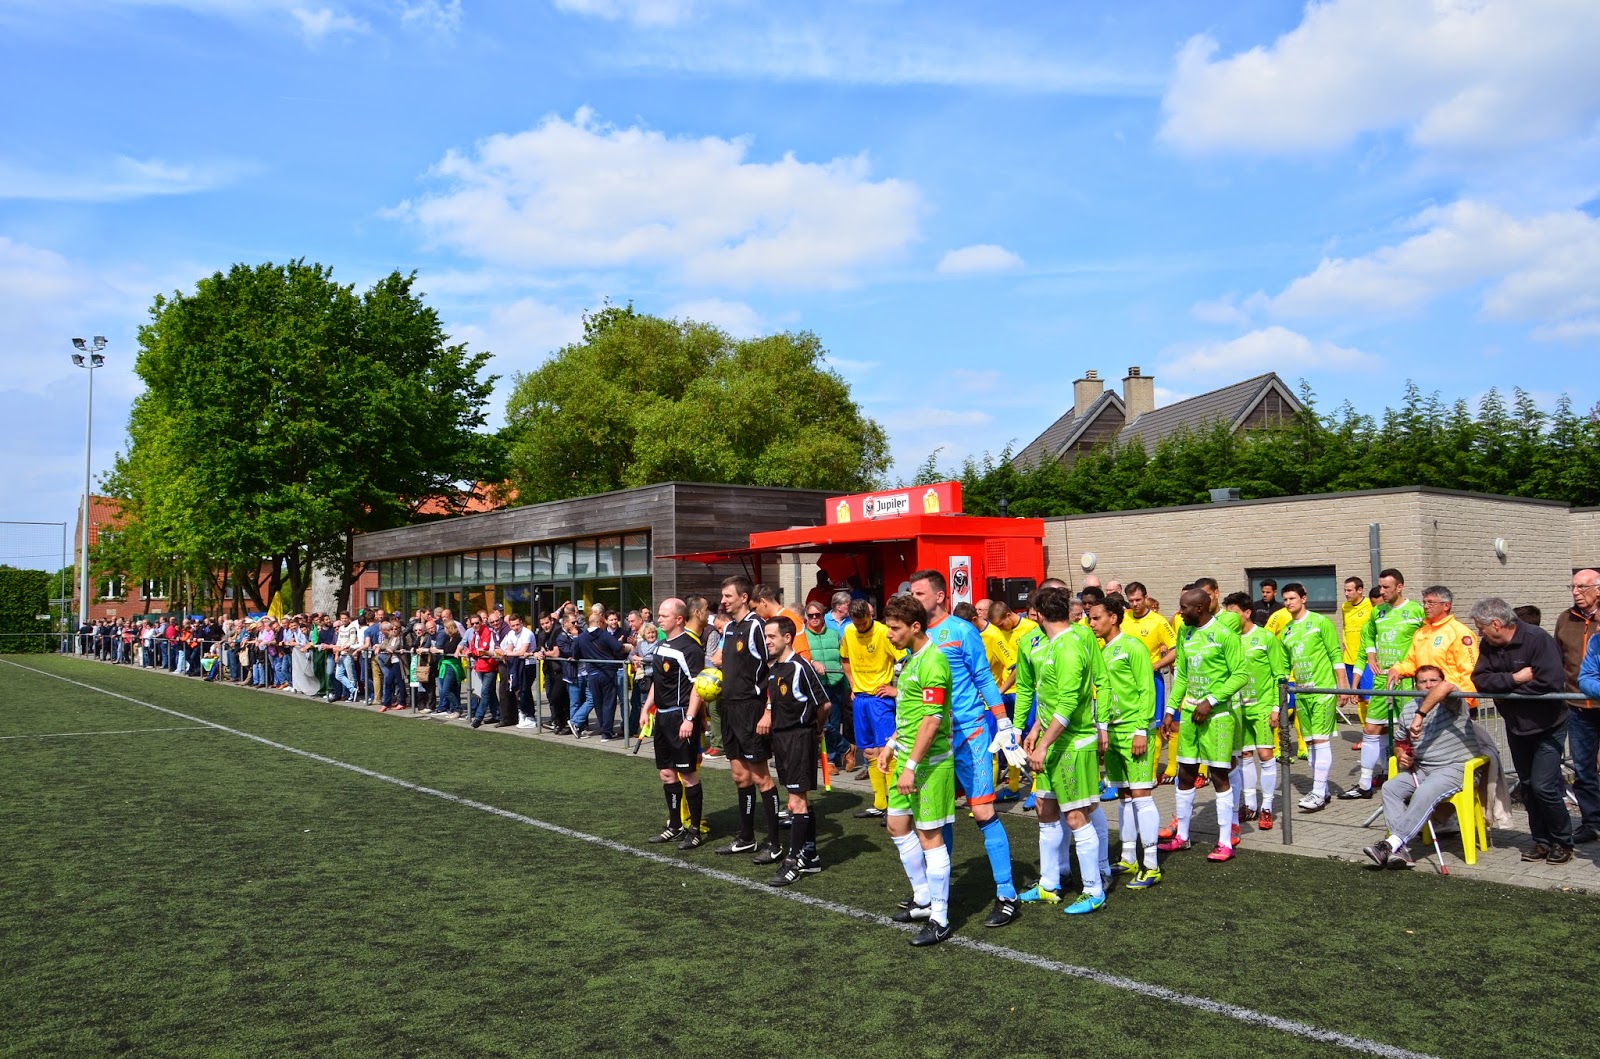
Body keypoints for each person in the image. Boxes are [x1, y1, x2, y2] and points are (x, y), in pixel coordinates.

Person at [908, 568, 1022, 928]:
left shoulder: (961, 631)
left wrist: (1003, 722)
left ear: (941, 596)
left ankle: (1007, 895)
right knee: (939, 815)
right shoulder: (917, 637)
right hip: (935, 738)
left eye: (920, 594)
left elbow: (984, 677)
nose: (914, 600)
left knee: (983, 811)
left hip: (970, 734)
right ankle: (937, 893)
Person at [1021, 585, 1108, 912]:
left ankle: (1093, 890)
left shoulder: (1069, 646)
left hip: (1072, 745)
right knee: (1046, 810)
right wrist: (1035, 729)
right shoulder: (1057, 643)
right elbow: (1051, 697)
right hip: (1054, 741)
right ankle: (1048, 883)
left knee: (1075, 816)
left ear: (1039, 615)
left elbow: (1069, 703)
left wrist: (1042, 745)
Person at [879, 593, 958, 946]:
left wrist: (910, 765)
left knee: (930, 837)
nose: (889, 634)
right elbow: (912, 715)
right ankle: (923, 898)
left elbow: (932, 720)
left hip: (929, 765)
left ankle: (940, 918)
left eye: (894, 628)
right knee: (896, 825)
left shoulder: (933, 662)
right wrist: (892, 744)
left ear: (914, 626)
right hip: (907, 760)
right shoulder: (910, 660)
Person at [1470, 597, 1574, 863]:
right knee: (1527, 786)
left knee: (1544, 786)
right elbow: (1480, 680)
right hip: (1516, 726)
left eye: (1481, 627)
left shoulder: (1537, 640)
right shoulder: (1489, 645)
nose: (1479, 632)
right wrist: (1514, 680)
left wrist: (1506, 692)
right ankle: (1541, 841)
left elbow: (1549, 682)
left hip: (1548, 725)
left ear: (1496, 624)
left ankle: (1563, 841)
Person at [1361, 666, 1483, 870]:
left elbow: (1446, 686)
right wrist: (1401, 754)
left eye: (1433, 680)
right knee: (1391, 788)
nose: (1428, 685)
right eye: (1423, 681)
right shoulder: (1408, 709)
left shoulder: (1452, 701)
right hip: (1423, 769)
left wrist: (1420, 715)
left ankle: (1390, 844)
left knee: (1425, 791)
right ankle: (1400, 851)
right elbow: (1399, 742)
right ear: (1415, 685)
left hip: (1456, 767)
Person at [1162, 587, 1248, 859]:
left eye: (1183, 607)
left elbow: (1241, 675)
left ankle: (1225, 842)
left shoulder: (1224, 634)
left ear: (1199, 608)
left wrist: (1210, 700)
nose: (1179, 611)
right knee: (1186, 774)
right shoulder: (1185, 633)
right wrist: (1169, 710)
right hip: (1189, 715)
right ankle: (1183, 836)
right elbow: (1184, 677)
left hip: (1219, 717)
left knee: (1218, 776)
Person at [1089, 596, 1162, 889]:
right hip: (1113, 732)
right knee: (1124, 795)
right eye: (1090, 618)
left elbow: (1147, 688)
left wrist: (1143, 729)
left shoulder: (1133, 647)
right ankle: (1129, 856)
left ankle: (1152, 865)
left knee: (1142, 795)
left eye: (1096, 618)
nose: (1092, 623)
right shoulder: (1103, 650)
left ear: (1114, 618)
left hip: (1134, 730)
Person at [713, 575, 784, 863]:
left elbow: (773, 667)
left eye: (728, 596)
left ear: (743, 597)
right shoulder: (729, 628)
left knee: (760, 777)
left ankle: (777, 842)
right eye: (723, 595)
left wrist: (768, 710)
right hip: (729, 709)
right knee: (740, 777)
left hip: (751, 710)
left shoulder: (758, 627)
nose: (723, 600)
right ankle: (746, 838)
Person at [760, 615, 829, 885]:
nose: (767, 641)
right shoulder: (774, 668)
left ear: (787, 638)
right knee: (798, 800)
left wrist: (816, 729)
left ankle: (792, 862)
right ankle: (810, 857)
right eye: (766, 637)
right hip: (782, 740)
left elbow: (823, 704)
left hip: (800, 738)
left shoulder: (800, 667)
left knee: (796, 803)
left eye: (772, 636)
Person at [1349, 568, 1426, 798]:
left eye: (1386, 587)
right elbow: (1368, 636)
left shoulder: (1416, 611)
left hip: (1407, 680)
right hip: (1382, 679)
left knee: (1409, 732)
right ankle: (1364, 784)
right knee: (1371, 728)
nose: (1381, 592)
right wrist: (1371, 655)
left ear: (1399, 587)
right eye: (1380, 587)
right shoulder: (1378, 612)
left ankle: (1410, 780)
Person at [1280, 582, 1353, 810]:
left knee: (1320, 741)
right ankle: (1323, 789)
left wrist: (1342, 686)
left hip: (1322, 690)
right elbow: (1284, 666)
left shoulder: (1321, 622)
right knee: (1310, 744)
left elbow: (1334, 653)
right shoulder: (1286, 631)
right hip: (1301, 693)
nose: (1288, 603)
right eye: (1285, 599)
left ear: (1304, 598)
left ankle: (1319, 793)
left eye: (1292, 598)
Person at [643, 598, 708, 851]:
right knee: (667, 773)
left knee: (687, 774)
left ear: (679, 619)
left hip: (681, 716)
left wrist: (690, 719)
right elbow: (657, 682)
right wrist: (647, 707)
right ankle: (674, 825)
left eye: (664, 616)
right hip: (663, 717)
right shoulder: (661, 645)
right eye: (659, 615)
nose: (659, 619)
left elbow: (698, 687)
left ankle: (694, 829)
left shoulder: (690, 648)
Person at [1224, 592, 1289, 829]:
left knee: (1265, 754)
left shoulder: (1265, 638)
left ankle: (1267, 807)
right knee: (1244, 756)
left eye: (1233, 614)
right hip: (1239, 708)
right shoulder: (1228, 639)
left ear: (1247, 613)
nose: (1229, 619)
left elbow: (1279, 675)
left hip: (1262, 706)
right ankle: (1250, 805)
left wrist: (1275, 707)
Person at [839, 599, 898, 815]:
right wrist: (853, 684)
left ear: (870, 616)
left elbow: (906, 659)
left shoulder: (884, 632)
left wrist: (896, 690)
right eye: (857, 624)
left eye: (863, 624)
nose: (860, 628)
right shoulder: (848, 631)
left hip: (880, 699)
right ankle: (880, 803)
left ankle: (896, 806)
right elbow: (844, 659)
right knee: (870, 752)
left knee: (888, 751)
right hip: (861, 700)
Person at [1555, 569, 1600, 843]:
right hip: (1578, 706)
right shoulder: (1565, 619)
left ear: (1598, 590)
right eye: (1572, 586)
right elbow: (1557, 660)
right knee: (1583, 769)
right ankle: (1591, 822)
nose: (1575, 592)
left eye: (1582, 587)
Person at [1122, 581, 1178, 782]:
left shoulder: (1158, 621)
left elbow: (1175, 649)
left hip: (1151, 680)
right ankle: (1131, 770)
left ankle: (1151, 773)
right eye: (1131, 601)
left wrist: (1154, 666)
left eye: (1138, 599)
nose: (1135, 604)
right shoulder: (1123, 618)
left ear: (1146, 598)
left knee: (1151, 726)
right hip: (1126, 682)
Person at [1388, 586, 1478, 699]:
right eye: (1424, 602)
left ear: (1446, 606)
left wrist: (1465, 701)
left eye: (1431, 603)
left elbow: (1469, 671)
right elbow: (1412, 663)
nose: (1425, 606)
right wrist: (1397, 669)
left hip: (1452, 701)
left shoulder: (1460, 633)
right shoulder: (1420, 633)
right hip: (1426, 700)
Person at [802, 603, 851, 769]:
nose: (814, 618)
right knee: (821, 722)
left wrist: (847, 681)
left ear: (823, 615)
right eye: (811, 615)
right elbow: (800, 658)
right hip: (815, 685)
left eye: (817, 615)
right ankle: (843, 748)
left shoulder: (834, 633)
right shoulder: (803, 637)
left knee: (835, 721)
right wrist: (814, 662)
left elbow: (844, 657)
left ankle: (833, 759)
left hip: (836, 682)